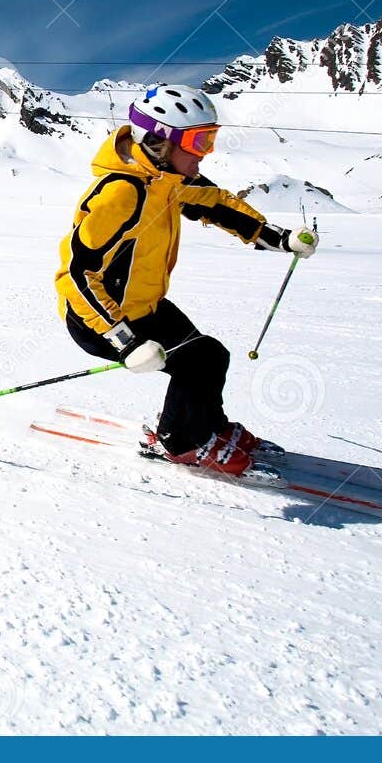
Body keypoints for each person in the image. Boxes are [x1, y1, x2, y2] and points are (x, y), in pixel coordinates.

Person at [55, 85, 318, 476]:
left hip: (145, 305)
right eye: (197, 141)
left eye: (209, 139)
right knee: (197, 362)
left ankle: (206, 426)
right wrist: (125, 341)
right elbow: (76, 275)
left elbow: (217, 203)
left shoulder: (167, 180)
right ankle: (181, 442)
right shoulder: (120, 194)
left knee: (210, 357)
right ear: (159, 142)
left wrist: (277, 238)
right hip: (101, 319)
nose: (205, 152)